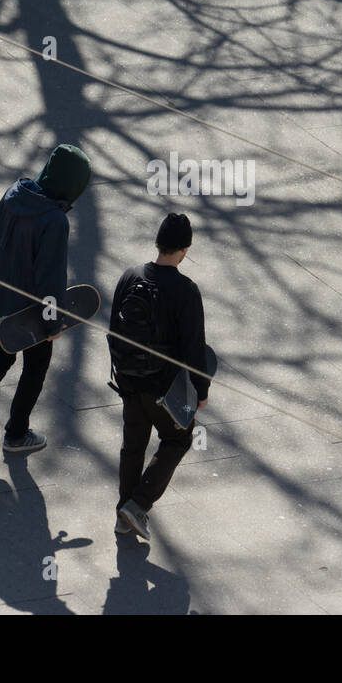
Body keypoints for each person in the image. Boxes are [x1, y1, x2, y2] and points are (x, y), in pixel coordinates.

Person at [0, 144, 91, 455]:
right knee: (35, 368)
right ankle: (16, 434)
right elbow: (50, 277)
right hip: (31, 309)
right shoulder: (54, 221)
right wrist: (53, 321)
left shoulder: (14, 194)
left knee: (2, 356)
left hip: (1, 296)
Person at [107, 212, 210, 541]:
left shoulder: (129, 276)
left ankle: (124, 514)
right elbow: (195, 348)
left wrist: (123, 374)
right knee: (178, 438)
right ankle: (138, 504)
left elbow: (112, 330)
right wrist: (201, 389)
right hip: (163, 386)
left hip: (129, 381)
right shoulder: (185, 290)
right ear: (183, 249)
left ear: (158, 243)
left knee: (132, 446)